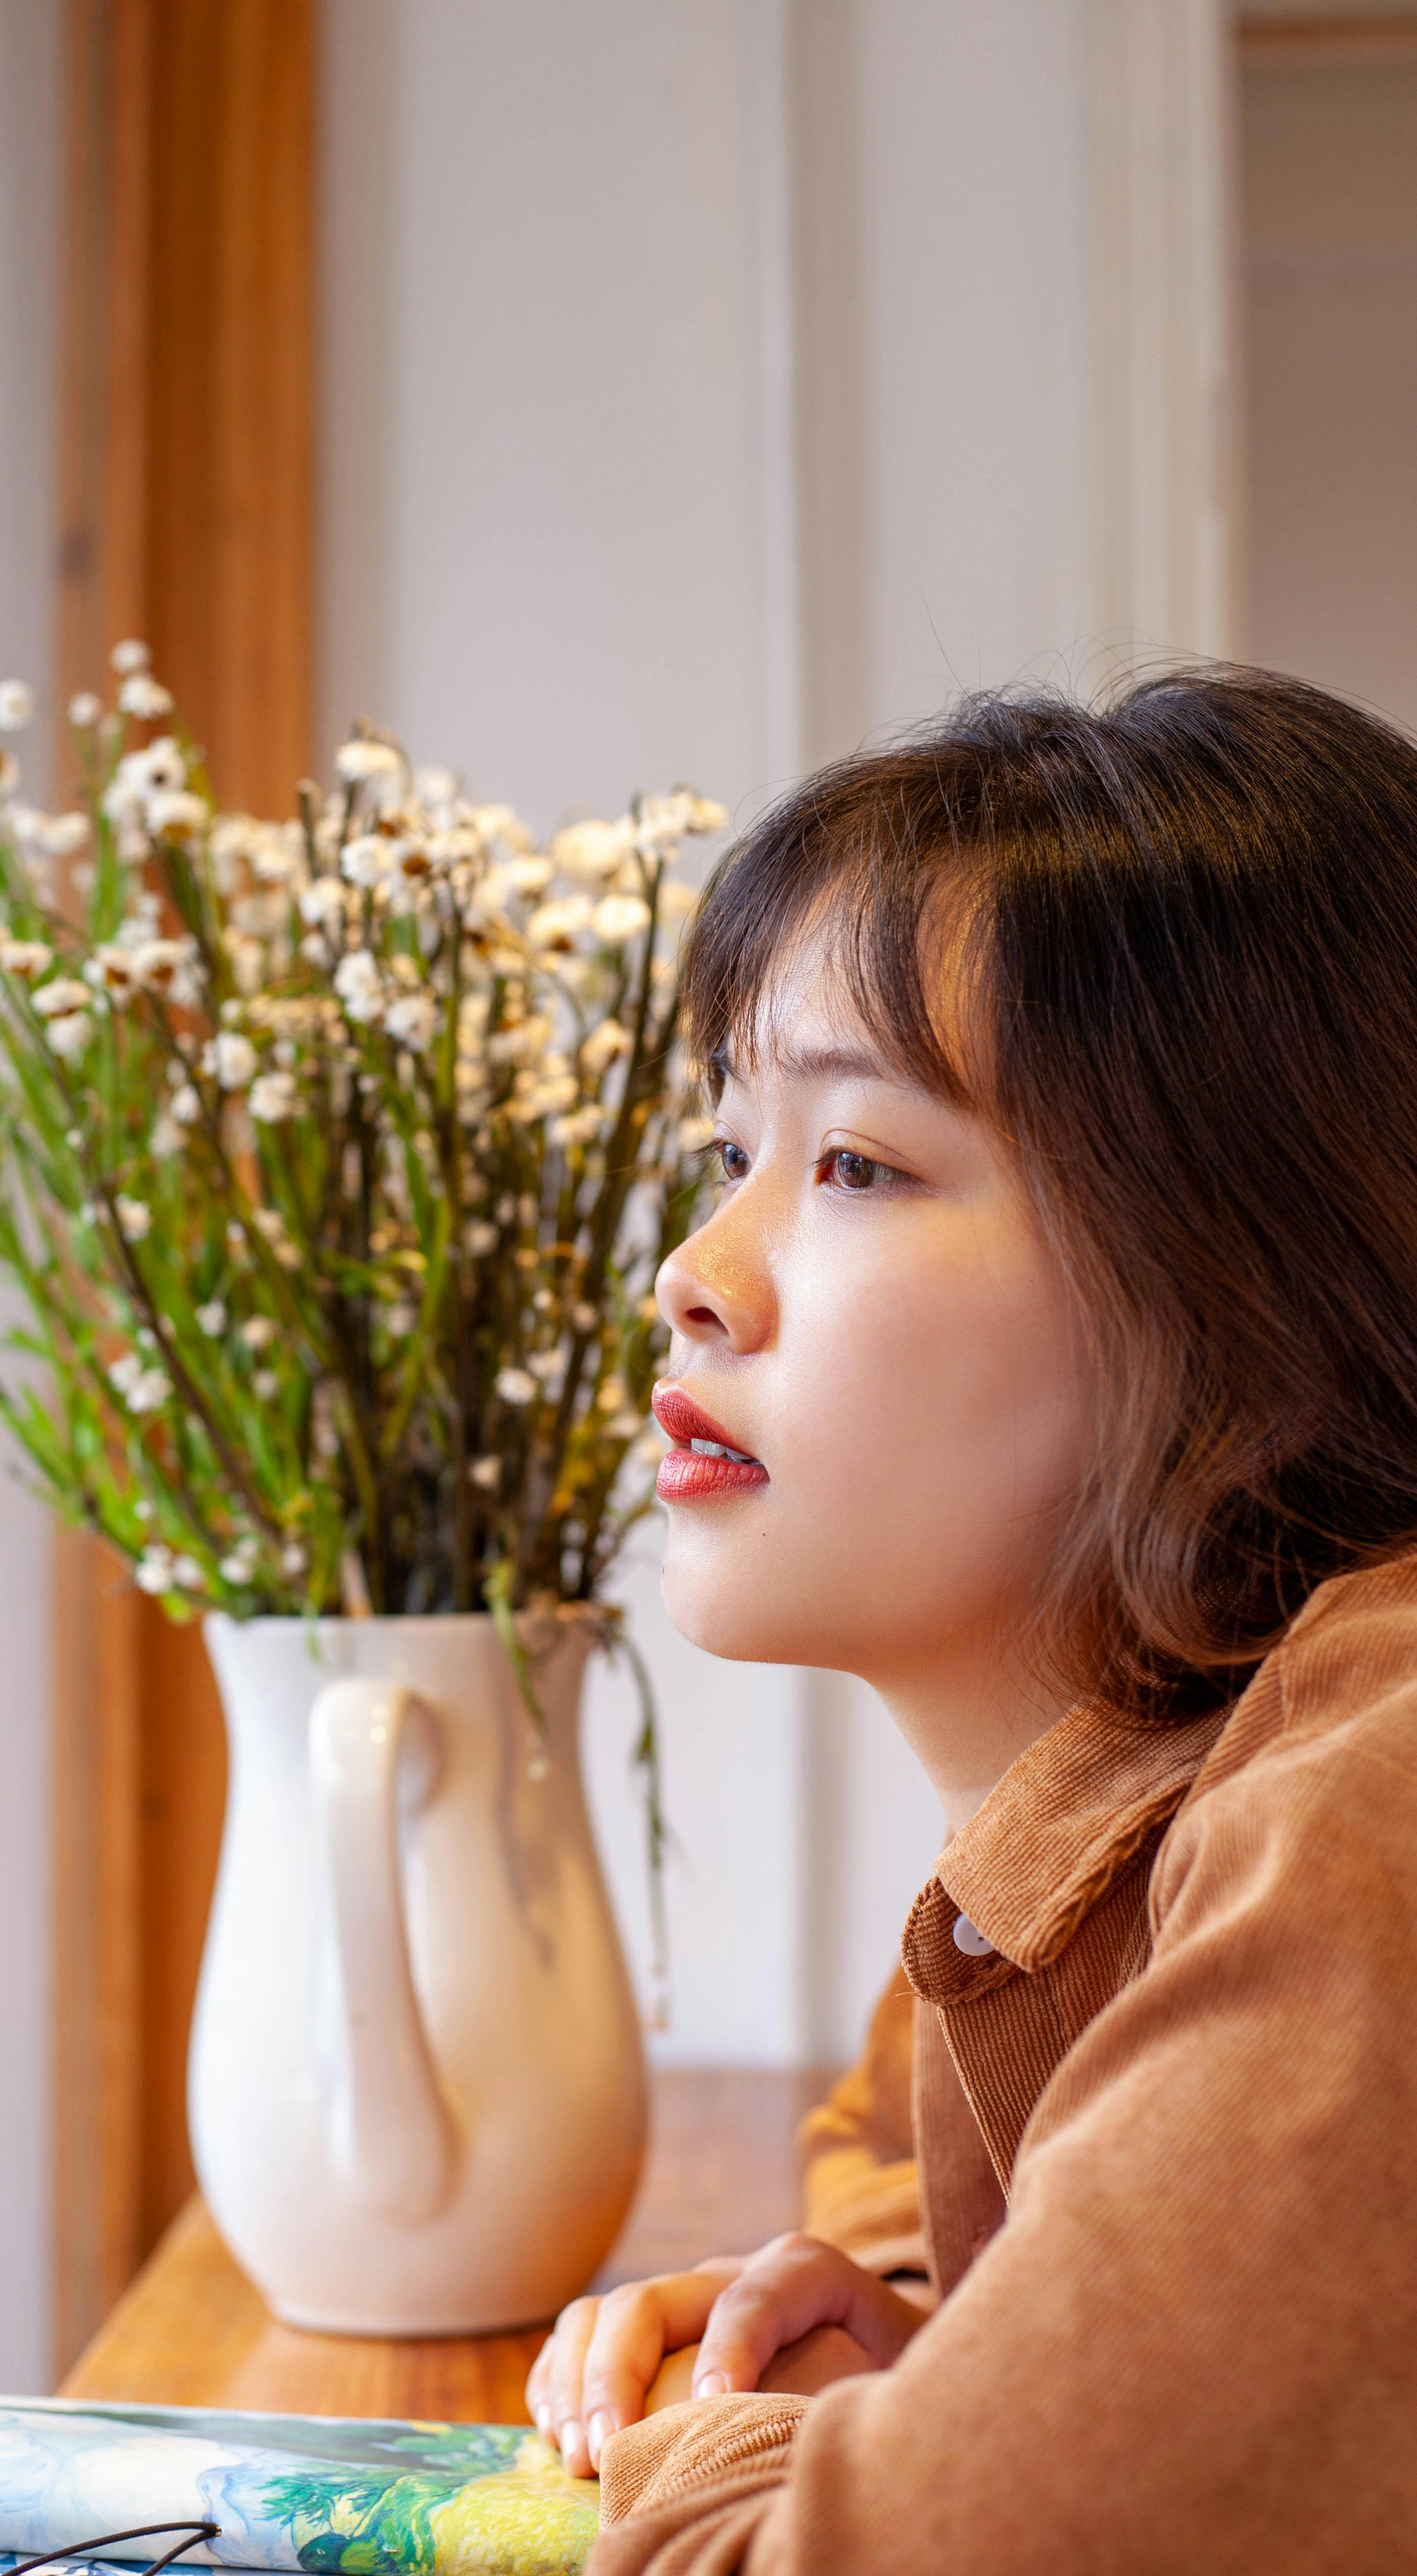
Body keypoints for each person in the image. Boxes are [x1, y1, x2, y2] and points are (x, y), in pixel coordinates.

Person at [529, 669, 1417, 2572]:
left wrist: (741, 2454)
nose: (692, 1278)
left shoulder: (1377, 1817)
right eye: (724, 1159)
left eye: (853, 1161)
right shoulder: (1116, 1826)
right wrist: (926, 2371)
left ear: (1253, 1331)